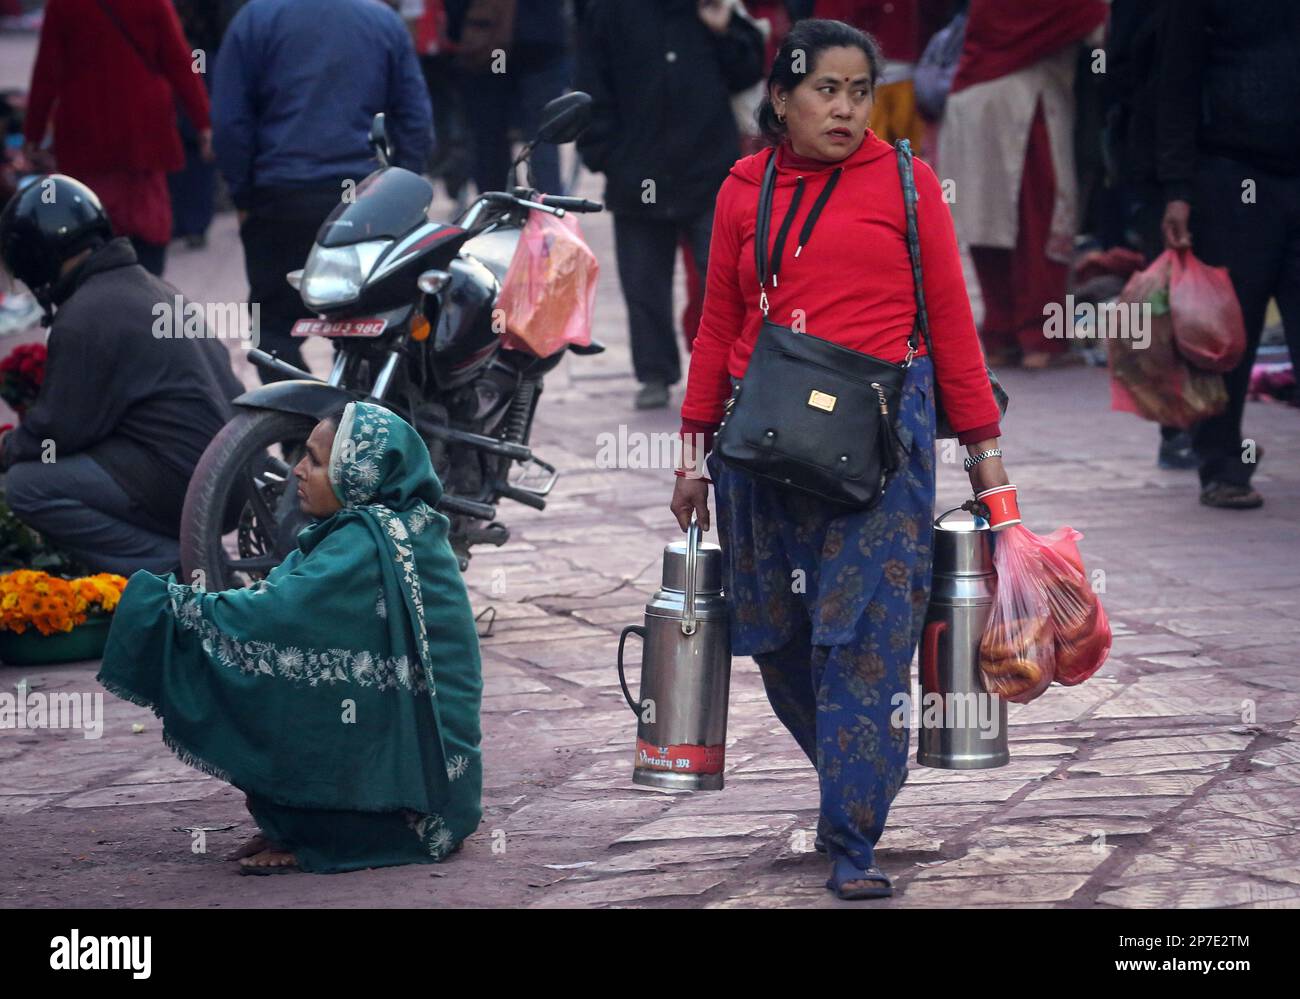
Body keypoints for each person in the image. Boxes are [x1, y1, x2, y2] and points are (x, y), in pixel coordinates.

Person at [670, 19, 1009, 900]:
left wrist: (986, 461)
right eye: (826, 89)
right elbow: (714, 325)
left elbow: (954, 325)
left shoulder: (909, 185)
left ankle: (855, 832)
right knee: (776, 635)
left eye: (860, 91)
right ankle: (850, 776)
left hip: (883, 452)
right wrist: (690, 454)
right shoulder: (742, 188)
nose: (846, 109)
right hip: (761, 447)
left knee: (863, 637)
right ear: (779, 98)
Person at [97, 401, 484, 874]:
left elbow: (275, 617)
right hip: (434, 784)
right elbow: (283, 604)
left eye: (317, 462)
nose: (298, 471)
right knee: (304, 675)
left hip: (427, 807)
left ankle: (339, 832)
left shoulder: (370, 539)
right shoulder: (373, 528)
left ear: (359, 474)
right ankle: (308, 821)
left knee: (280, 666)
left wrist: (165, 608)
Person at [0, 175, 244, 576]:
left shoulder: (85, 312)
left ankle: (178, 568)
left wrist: (9, 447)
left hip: (198, 489)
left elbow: (56, 433)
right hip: (230, 477)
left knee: (27, 485)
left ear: (37, 259)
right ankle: (197, 559)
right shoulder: (150, 287)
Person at [212, 0, 433, 382]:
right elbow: (416, 119)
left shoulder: (254, 20)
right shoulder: (381, 20)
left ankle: (294, 430)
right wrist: (402, 193)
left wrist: (244, 193)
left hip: (280, 197)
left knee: (275, 327)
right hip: (368, 205)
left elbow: (230, 122)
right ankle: (355, 428)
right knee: (372, 329)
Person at [575, 0, 765, 410]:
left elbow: (749, 71)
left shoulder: (713, 9)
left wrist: (723, 30)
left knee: (724, 278)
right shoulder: (610, 13)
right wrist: (605, 153)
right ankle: (655, 373)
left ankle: (732, 370)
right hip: (636, 172)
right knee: (645, 285)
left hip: (710, 171)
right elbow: (592, 86)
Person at [1155, 0, 1300, 510]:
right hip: (1232, 174)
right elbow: (1175, 81)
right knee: (1224, 335)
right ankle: (1220, 466)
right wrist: (1176, 187)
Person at [937, 0, 1108, 369]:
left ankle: (1001, 337)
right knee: (1041, 226)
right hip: (1025, 105)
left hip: (971, 103)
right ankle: (1040, 341)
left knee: (988, 227)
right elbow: (1103, 29)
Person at [23, 0, 213, 277]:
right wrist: (203, 121)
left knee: (91, 219)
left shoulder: (63, 5)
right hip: (143, 128)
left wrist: (33, 132)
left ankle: (101, 294)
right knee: (147, 223)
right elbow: (180, 62)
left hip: (86, 128)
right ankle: (145, 291)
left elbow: (47, 70)